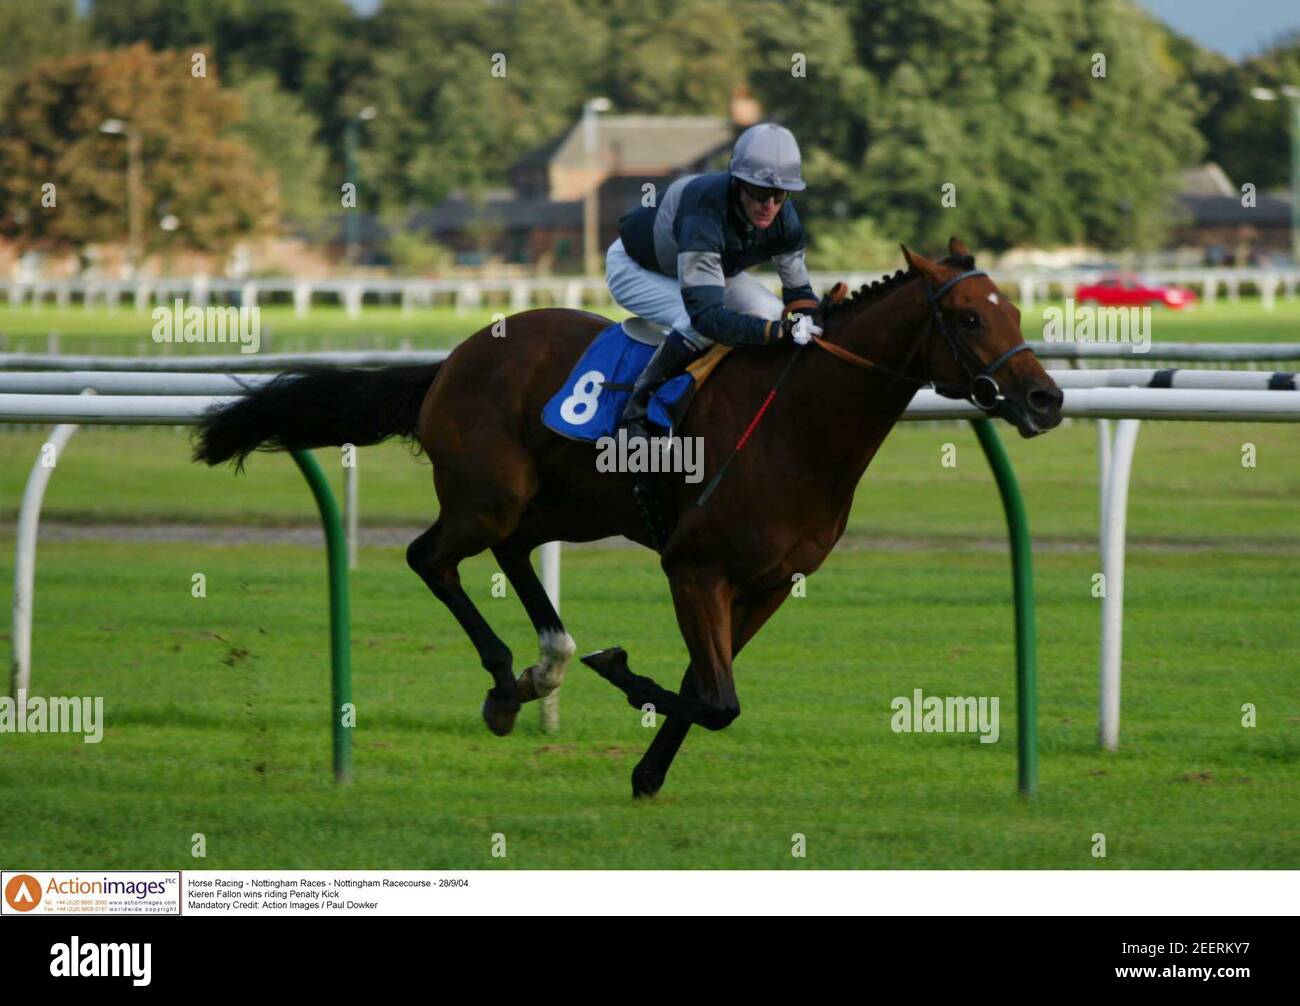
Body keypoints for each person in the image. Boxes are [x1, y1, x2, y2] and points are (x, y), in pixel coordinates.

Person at [606, 122, 823, 440]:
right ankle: (637, 413)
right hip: (635, 268)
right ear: (737, 184)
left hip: (705, 267)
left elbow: (799, 293)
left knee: (770, 310)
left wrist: (812, 320)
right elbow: (706, 316)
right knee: (693, 323)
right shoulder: (705, 212)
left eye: (779, 194)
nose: (769, 206)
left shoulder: (785, 219)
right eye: (760, 192)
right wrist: (780, 333)